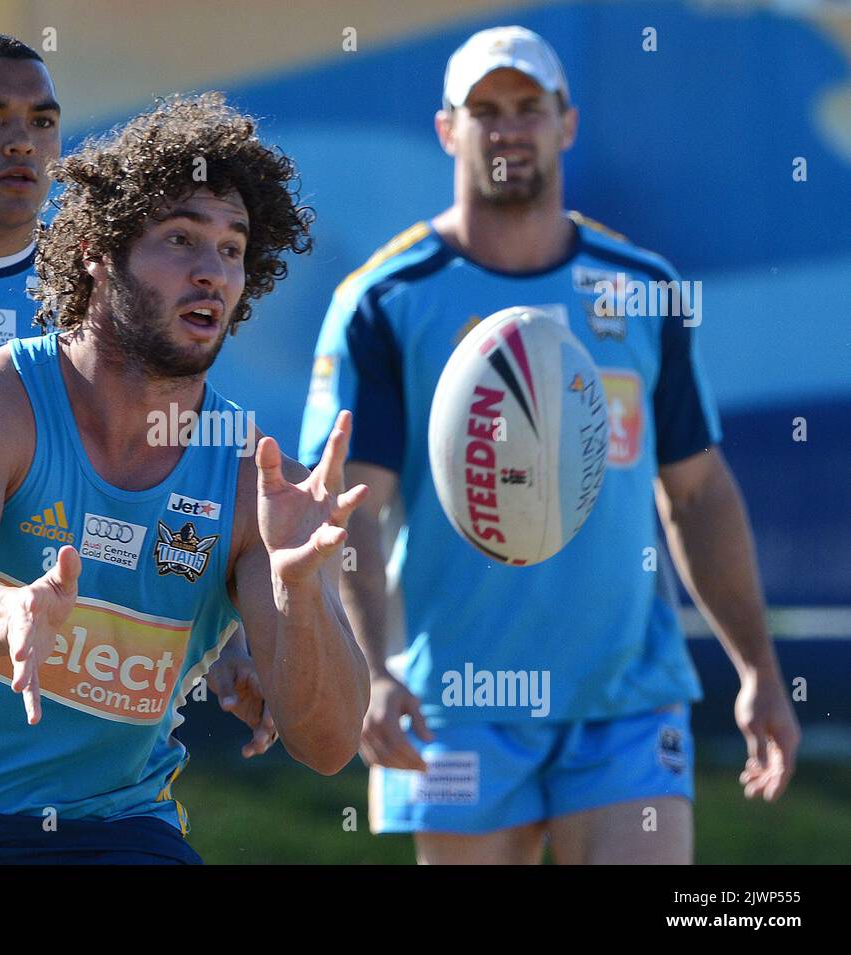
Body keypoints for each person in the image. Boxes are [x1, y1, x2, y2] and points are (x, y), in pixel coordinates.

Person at [0, 93, 369, 864]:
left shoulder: (250, 480)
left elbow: (328, 744)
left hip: (113, 830)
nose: (212, 273)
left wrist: (301, 594)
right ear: (99, 251)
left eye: (233, 249)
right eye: (180, 240)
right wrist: (2, 612)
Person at [299, 26, 799, 864]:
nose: (507, 129)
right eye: (484, 110)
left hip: (626, 700)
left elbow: (699, 494)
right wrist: (373, 671)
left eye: (529, 107)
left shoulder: (642, 289)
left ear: (566, 122)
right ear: (447, 130)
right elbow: (356, 509)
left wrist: (760, 672)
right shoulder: (384, 300)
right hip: (452, 700)